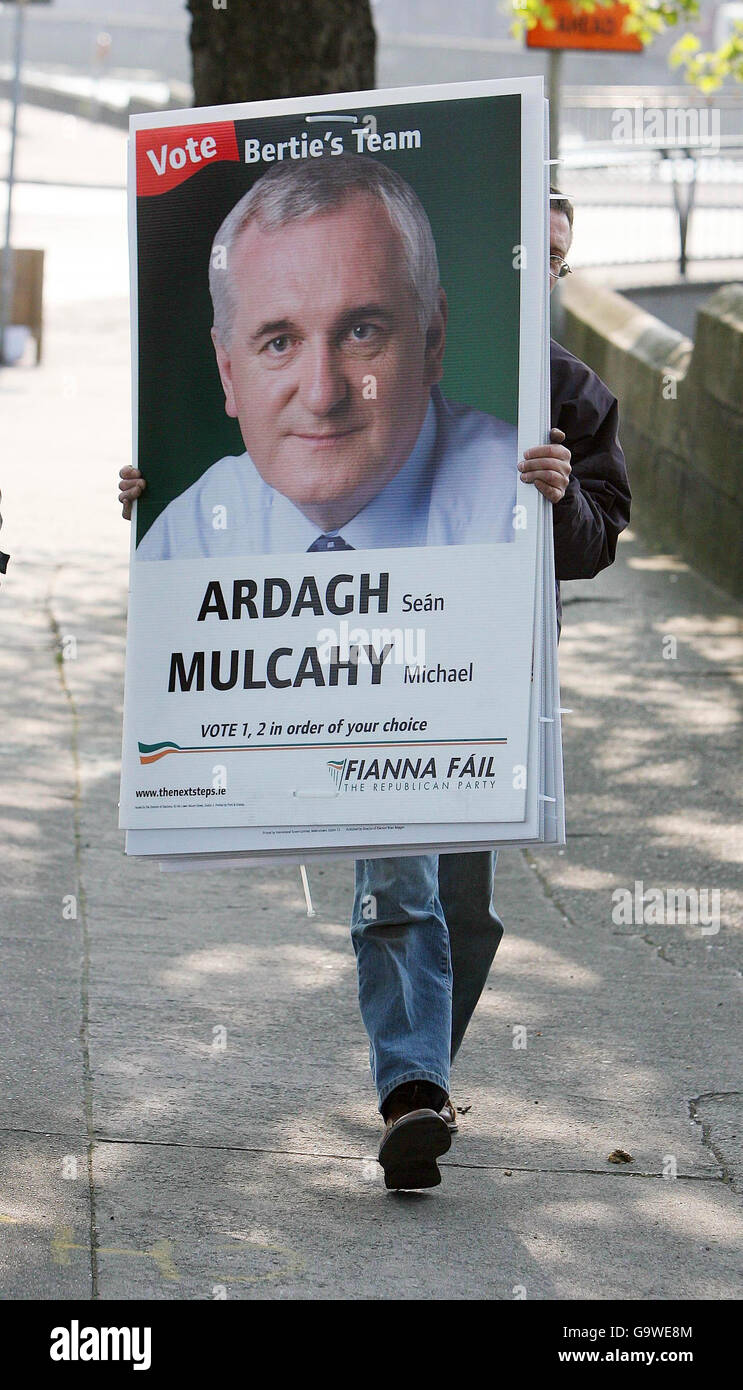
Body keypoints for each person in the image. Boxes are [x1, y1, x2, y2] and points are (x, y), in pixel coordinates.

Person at [120, 183, 630, 1193]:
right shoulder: (258, 465)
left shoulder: (558, 394)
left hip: (473, 690)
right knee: (397, 881)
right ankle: (412, 1092)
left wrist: (558, 493)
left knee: (464, 911)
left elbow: (594, 544)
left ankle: (424, 1070)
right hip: (350, 693)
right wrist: (139, 513)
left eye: (559, 253)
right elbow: (191, 581)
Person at [124, 155, 517, 557]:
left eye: (360, 333)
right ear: (228, 374)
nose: (322, 395)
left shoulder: (519, 512)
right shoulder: (189, 536)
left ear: (431, 340)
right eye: (279, 343)